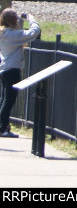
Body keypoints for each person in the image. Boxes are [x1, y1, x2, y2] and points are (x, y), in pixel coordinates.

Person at [0, 9, 41, 138]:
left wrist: (20, 20)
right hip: (12, 70)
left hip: (4, 69)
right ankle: (2, 129)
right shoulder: (12, 35)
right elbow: (34, 32)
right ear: (12, 20)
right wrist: (30, 18)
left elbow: (18, 33)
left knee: (5, 100)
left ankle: (3, 127)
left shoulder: (4, 33)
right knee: (9, 101)